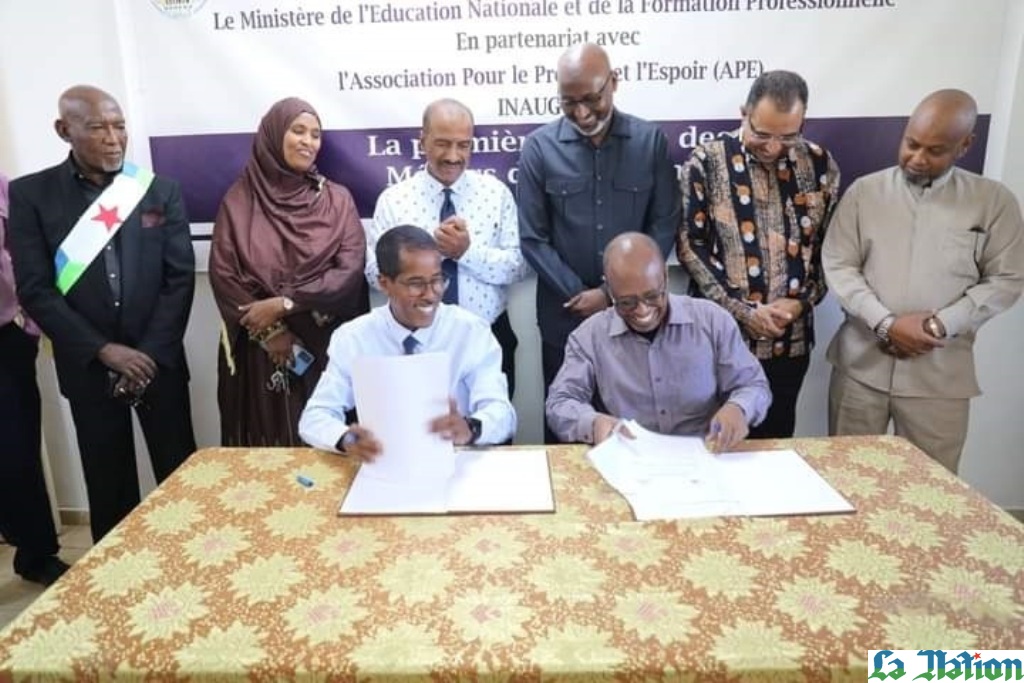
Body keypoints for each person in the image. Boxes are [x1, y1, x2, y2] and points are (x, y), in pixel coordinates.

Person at [8, 85, 197, 542]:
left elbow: (179, 280)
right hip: (90, 368)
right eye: (98, 128)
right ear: (64, 130)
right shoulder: (31, 194)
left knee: (182, 478)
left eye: (119, 127)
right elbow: (35, 289)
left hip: (158, 363)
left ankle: (193, 561)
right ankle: (116, 573)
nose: (114, 139)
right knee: (109, 484)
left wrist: (147, 354)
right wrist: (104, 351)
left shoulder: (159, 191)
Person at [822, 89, 1024, 473]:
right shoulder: (865, 192)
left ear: (965, 145)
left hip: (940, 378)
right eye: (911, 144)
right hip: (860, 371)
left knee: (932, 489)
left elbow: (1006, 279)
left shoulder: (994, 202)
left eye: (935, 151)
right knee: (848, 479)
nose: (917, 158)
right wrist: (886, 324)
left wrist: (937, 326)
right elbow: (839, 265)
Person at [517, 43, 679, 441]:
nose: (582, 113)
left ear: (614, 83)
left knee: (634, 432)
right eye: (568, 102)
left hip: (635, 315)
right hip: (564, 318)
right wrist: (580, 296)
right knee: (565, 428)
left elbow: (663, 225)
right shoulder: (539, 147)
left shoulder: (650, 142)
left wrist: (609, 295)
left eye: (592, 99)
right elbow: (533, 238)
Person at [677, 70, 840, 439]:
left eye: (788, 136)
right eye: (762, 134)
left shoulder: (819, 165)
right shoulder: (707, 161)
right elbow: (690, 245)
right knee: (714, 444)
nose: (773, 147)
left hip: (789, 343)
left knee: (775, 447)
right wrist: (743, 311)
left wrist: (802, 302)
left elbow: (830, 250)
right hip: (719, 341)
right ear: (744, 114)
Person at [209, 97, 369, 446]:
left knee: (329, 445)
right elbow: (224, 275)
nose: (308, 141)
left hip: (324, 346)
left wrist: (286, 303)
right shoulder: (239, 200)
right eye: (298, 131)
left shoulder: (337, 200)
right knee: (270, 448)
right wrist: (271, 332)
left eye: (315, 134)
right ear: (273, 135)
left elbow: (349, 272)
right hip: (262, 350)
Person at [299, 225, 515, 460]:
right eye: (416, 284)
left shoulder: (471, 331)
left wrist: (470, 429)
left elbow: (503, 414)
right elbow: (315, 416)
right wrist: (347, 439)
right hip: (383, 463)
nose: (430, 294)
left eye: (437, 280)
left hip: (457, 460)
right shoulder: (353, 338)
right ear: (384, 284)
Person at [546, 232, 770, 450]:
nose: (642, 311)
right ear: (610, 290)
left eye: (652, 296)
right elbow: (560, 403)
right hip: (631, 456)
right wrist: (594, 423)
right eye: (626, 302)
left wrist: (739, 408)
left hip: (706, 453)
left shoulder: (712, 321)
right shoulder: (589, 337)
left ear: (666, 277)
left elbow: (753, 384)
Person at [366, 99, 527, 396]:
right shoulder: (394, 200)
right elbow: (374, 273)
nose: (453, 156)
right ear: (422, 141)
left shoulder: (496, 194)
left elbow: (518, 266)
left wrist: (466, 252)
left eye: (463, 145)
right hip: (413, 342)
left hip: (488, 337)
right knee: (417, 423)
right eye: (442, 144)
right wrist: (425, 253)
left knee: (491, 422)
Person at [0, 171, 70, 586]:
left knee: (18, 452)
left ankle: (36, 553)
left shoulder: (3, 186)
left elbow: (24, 254)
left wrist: (32, 328)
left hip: (4, 339)